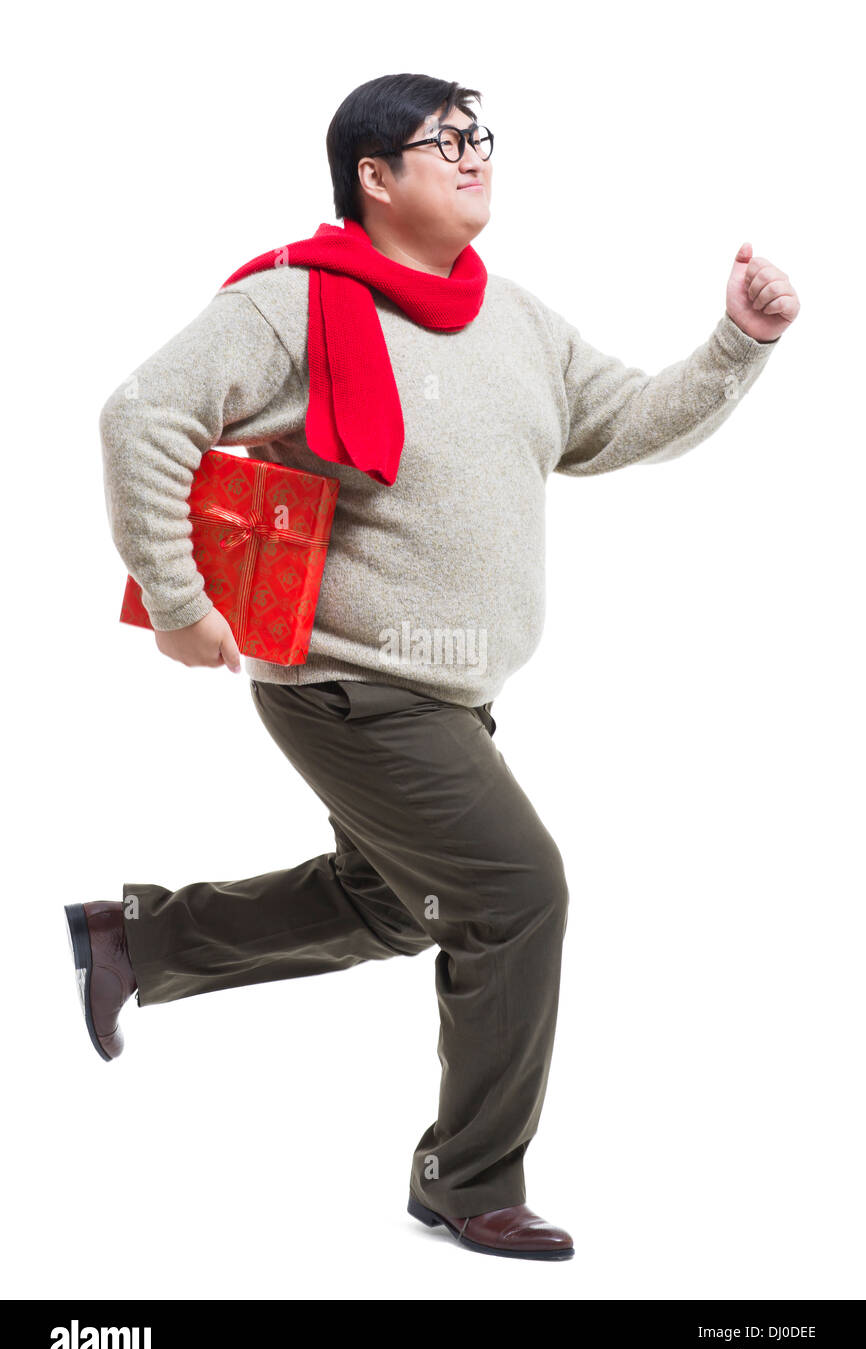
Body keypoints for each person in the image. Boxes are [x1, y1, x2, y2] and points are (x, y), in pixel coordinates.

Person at [66, 72, 798, 1262]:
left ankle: (132, 942)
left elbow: (623, 420)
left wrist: (738, 342)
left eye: (479, 136)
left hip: (454, 691)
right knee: (516, 894)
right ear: (373, 174)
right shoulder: (290, 305)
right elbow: (141, 414)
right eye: (444, 139)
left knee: (395, 900)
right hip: (348, 683)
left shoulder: (510, 317)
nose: (473, 155)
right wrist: (180, 602)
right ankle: (468, 1181)